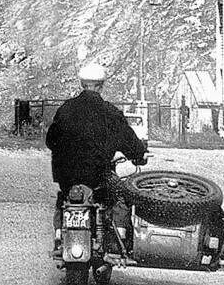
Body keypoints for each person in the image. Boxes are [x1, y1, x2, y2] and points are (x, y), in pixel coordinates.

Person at [46, 63, 148, 281]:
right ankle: (115, 243)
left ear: (82, 84)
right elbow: (130, 143)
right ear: (101, 86)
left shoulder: (65, 109)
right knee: (120, 196)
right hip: (100, 175)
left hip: (68, 178)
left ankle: (58, 238)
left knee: (63, 200)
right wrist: (139, 155)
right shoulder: (110, 113)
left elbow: (50, 140)